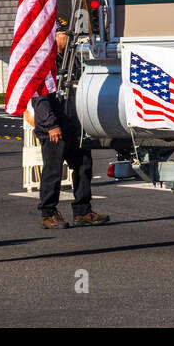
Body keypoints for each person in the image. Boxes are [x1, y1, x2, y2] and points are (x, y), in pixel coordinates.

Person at [34, 23, 109, 230]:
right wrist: (51, 125)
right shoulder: (45, 63)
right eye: (66, 34)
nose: (71, 38)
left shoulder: (72, 61)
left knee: (84, 166)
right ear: (55, 36)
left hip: (74, 124)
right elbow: (40, 97)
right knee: (53, 171)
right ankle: (48, 213)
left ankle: (83, 211)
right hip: (54, 127)